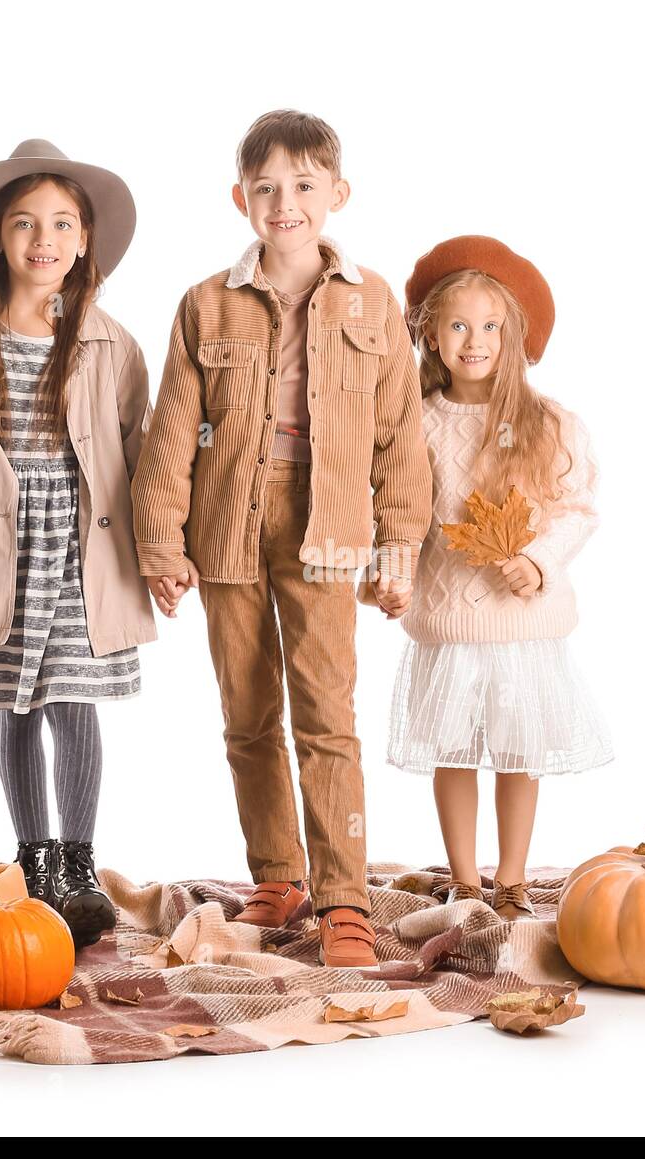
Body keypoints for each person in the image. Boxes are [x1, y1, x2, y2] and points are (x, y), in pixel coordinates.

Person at [132, 110, 432, 967]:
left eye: (304, 185)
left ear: (338, 194)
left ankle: (343, 894)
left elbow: (399, 439)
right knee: (248, 712)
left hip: (329, 522)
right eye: (266, 187)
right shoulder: (205, 303)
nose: (285, 202)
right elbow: (169, 431)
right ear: (242, 199)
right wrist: (161, 541)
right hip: (226, 520)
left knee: (327, 712)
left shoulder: (374, 303)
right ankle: (278, 873)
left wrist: (398, 549)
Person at [0, 139, 155, 947]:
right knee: (14, 701)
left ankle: (78, 863)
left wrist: (165, 541)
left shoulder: (111, 341)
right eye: (24, 223)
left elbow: (138, 450)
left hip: (83, 539)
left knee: (71, 696)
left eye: (60, 223)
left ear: (84, 238)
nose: (43, 239)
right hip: (2, 540)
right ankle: (33, 855)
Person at [387, 236, 614, 919]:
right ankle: (464, 875)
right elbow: (397, 506)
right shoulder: (415, 421)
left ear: (516, 337)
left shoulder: (548, 423)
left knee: (518, 750)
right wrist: (388, 569)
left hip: (520, 625)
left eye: (491, 326)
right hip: (452, 622)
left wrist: (539, 560)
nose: (474, 340)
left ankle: (510, 876)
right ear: (431, 331)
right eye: (458, 324)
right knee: (453, 751)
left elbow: (577, 508)